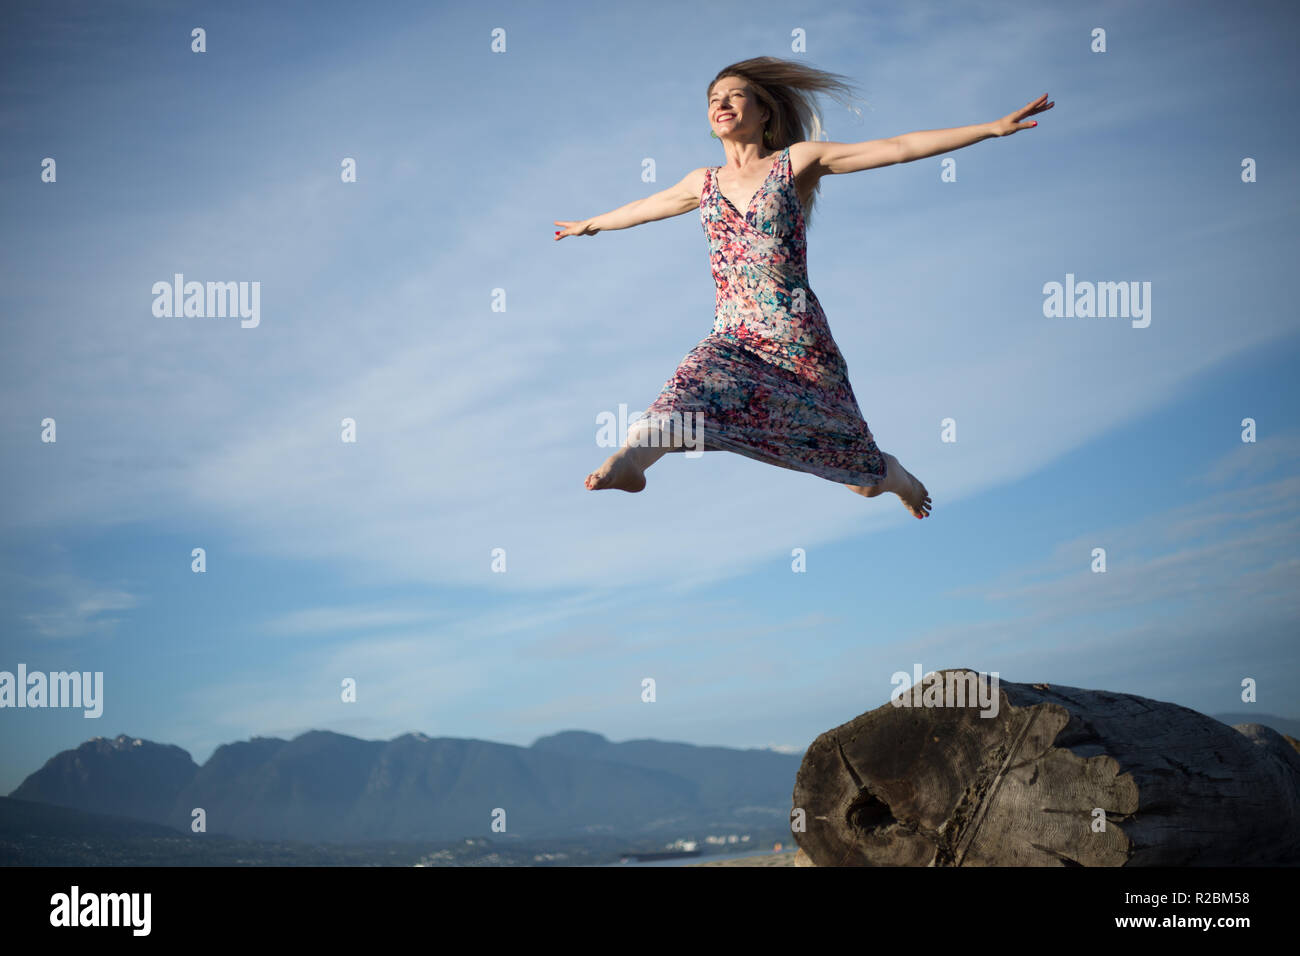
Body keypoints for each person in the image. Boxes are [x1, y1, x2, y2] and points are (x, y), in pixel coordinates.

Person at [555, 56, 1051, 520]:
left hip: (799, 338)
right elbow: (646, 206)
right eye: (714, 99)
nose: (722, 103)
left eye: (735, 95)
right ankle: (631, 461)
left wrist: (989, 129)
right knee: (685, 390)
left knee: (858, 475)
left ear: (764, 111)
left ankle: (893, 475)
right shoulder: (701, 181)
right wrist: (589, 225)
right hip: (734, 335)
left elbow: (897, 148)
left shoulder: (795, 162)